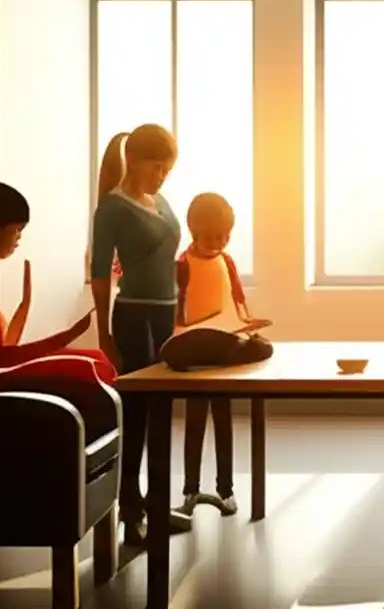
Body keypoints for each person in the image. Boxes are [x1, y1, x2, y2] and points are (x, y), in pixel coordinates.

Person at [0, 181, 113, 442]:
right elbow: (0, 357)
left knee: (93, 357)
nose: (19, 237)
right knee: (90, 366)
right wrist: (68, 335)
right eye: (17, 229)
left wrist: (25, 306)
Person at [89, 123, 190, 546]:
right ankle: (129, 511)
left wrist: (183, 318)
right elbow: (99, 274)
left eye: (168, 168)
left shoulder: (162, 201)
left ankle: (156, 501)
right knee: (136, 414)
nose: (163, 175)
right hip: (133, 318)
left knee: (163, 413)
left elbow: (172, 264)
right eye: (157, 165)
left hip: (166, 317)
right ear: (134, 160)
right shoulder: (112, 208)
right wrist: (104, 333)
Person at [173, 192, 266, 518]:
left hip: (223, 348)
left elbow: (237, 299)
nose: (220, 242)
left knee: (223, 421)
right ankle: (190, 489)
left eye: (225, 236)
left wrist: (247, 323)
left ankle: (225, 489)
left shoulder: (226, 261)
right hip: (197, 351)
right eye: (213, 236)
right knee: (195, 423)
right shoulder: (183, 265)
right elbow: (178, 308)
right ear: (194, 231)